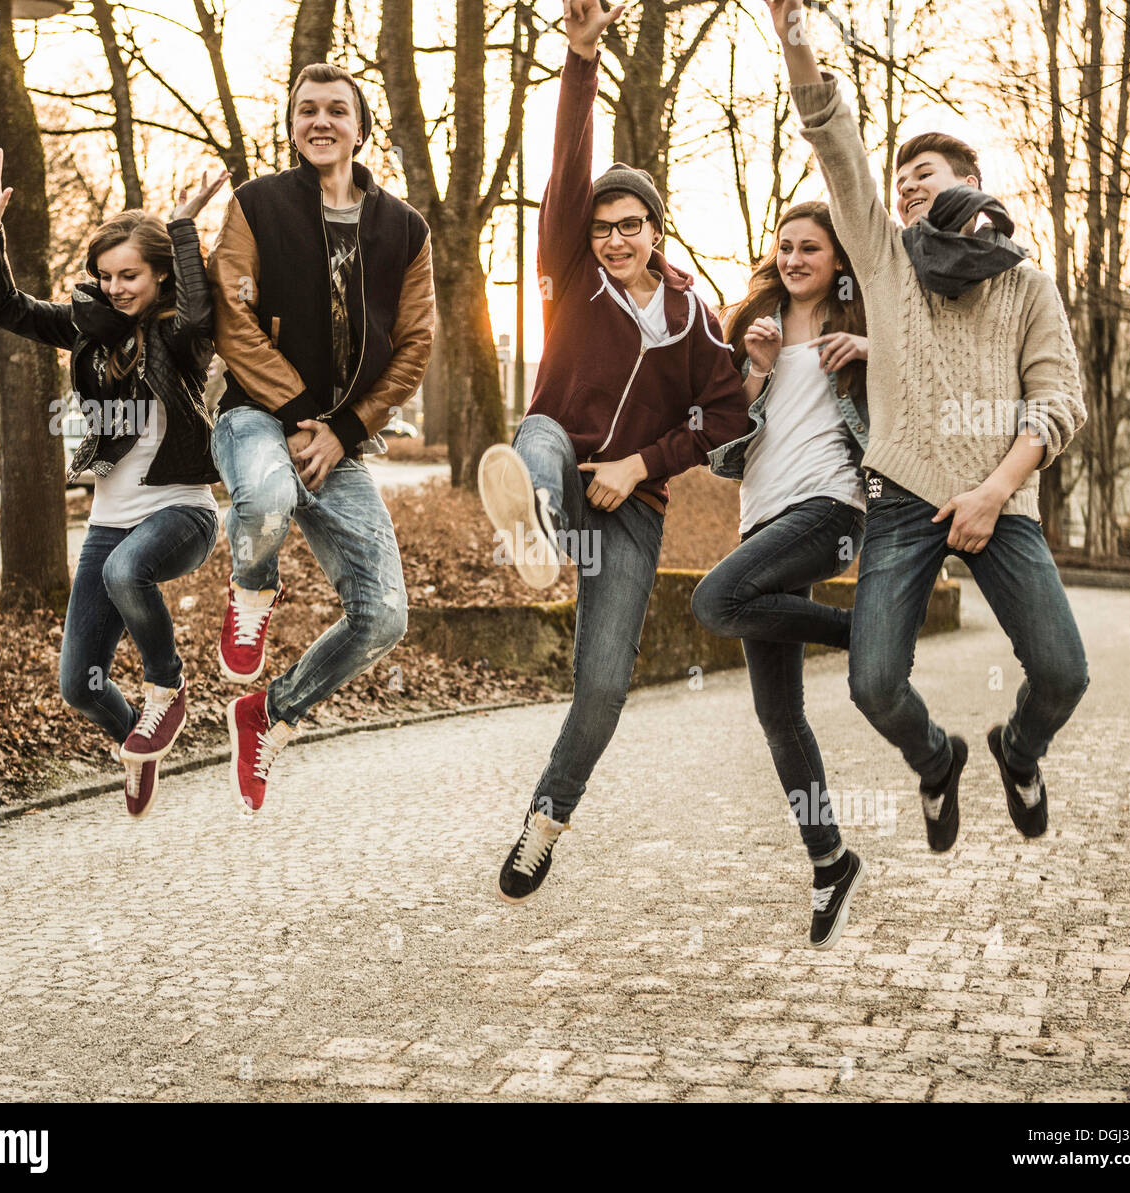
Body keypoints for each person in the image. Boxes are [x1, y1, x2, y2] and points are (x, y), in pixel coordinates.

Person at [766, 0, 1089, 851]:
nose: (907, 185)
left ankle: (1018, 752)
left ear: (971, 185)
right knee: (873, 684)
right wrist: (793, 33)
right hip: (905, 497)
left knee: (1063, 671)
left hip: (1000, 501)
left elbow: (1058, 403)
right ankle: (938, 759)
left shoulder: (1027, 287)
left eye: (926, 174)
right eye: (901, 177)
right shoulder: (884, 260)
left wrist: (994, 490)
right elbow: (834, 141)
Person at [476, 0, 751, 904]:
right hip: (557, 453)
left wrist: (643, 465)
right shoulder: (575, 278)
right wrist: (580, 57)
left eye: (631, 224)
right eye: (603, 226)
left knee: (601, 689)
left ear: (656, 231)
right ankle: (534, 534)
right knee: (538, 440)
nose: (615, 237)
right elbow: (565, 169)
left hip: (631, 508)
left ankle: (546, 818)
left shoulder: (690, 320)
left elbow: (727, 418)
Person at [0, 144, 230, 818]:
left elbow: (201, 313)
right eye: (106, 276)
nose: (115, 288)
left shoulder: (183, 334)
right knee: (79, 685)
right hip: (110, 523)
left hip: (182, 512)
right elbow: (8, 309)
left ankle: (166, 687)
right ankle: (136, 742)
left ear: (161, 276)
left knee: (126, 572)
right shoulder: (88, 332)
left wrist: (183, 228)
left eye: (131, 275)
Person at [206, 62, 435, 814]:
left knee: (385, 616)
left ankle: (270, 712)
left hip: (339, 440)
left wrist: (344, 428)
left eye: (337, 109)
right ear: (293, 126)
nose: (320, 121)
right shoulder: (256, 205)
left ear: (362, 129)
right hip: (254, 419)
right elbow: (232, 316)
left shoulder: (404, 229)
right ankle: (252, 590)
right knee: (266, 495)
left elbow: (414, 346)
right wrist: (308, 410)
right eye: (306, 110)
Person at [692, 201, 870, 949]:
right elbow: (716, 443)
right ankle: (831, 859)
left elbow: (924, 379)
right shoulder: (753, 326)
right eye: (786, 247)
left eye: (812, 248)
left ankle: (866, 634)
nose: (796, 259)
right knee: (778, 714)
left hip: (831, 510)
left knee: (714, 598)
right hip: (762, 518)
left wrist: (870, 350)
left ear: (838, 259)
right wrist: (754, 372)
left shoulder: (863, 326)